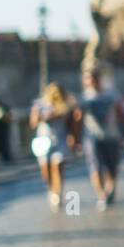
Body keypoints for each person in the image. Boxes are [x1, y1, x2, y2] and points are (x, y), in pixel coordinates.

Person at [78, 67, 124, 211]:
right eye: (87, 79)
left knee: (112, 168)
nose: (89, 81)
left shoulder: (111, 94)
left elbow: (121, 112)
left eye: (92, 78)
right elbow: (77, 118)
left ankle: (111, 189)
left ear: (98, 79)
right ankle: (101, 195)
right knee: (95, 166)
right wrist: (75, 137)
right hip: (92, 137)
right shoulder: (84, 97)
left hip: (112, 136)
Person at [30, 82, 75, 210]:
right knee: (46, 171)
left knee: (58, 166)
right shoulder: (39, 104)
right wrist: (43, 117)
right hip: (43, 141)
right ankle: (51, 188)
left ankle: (58, 192)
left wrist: (72, 137)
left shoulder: (66, 105)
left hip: (59, 139)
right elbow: (33, 123)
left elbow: (71, 122)